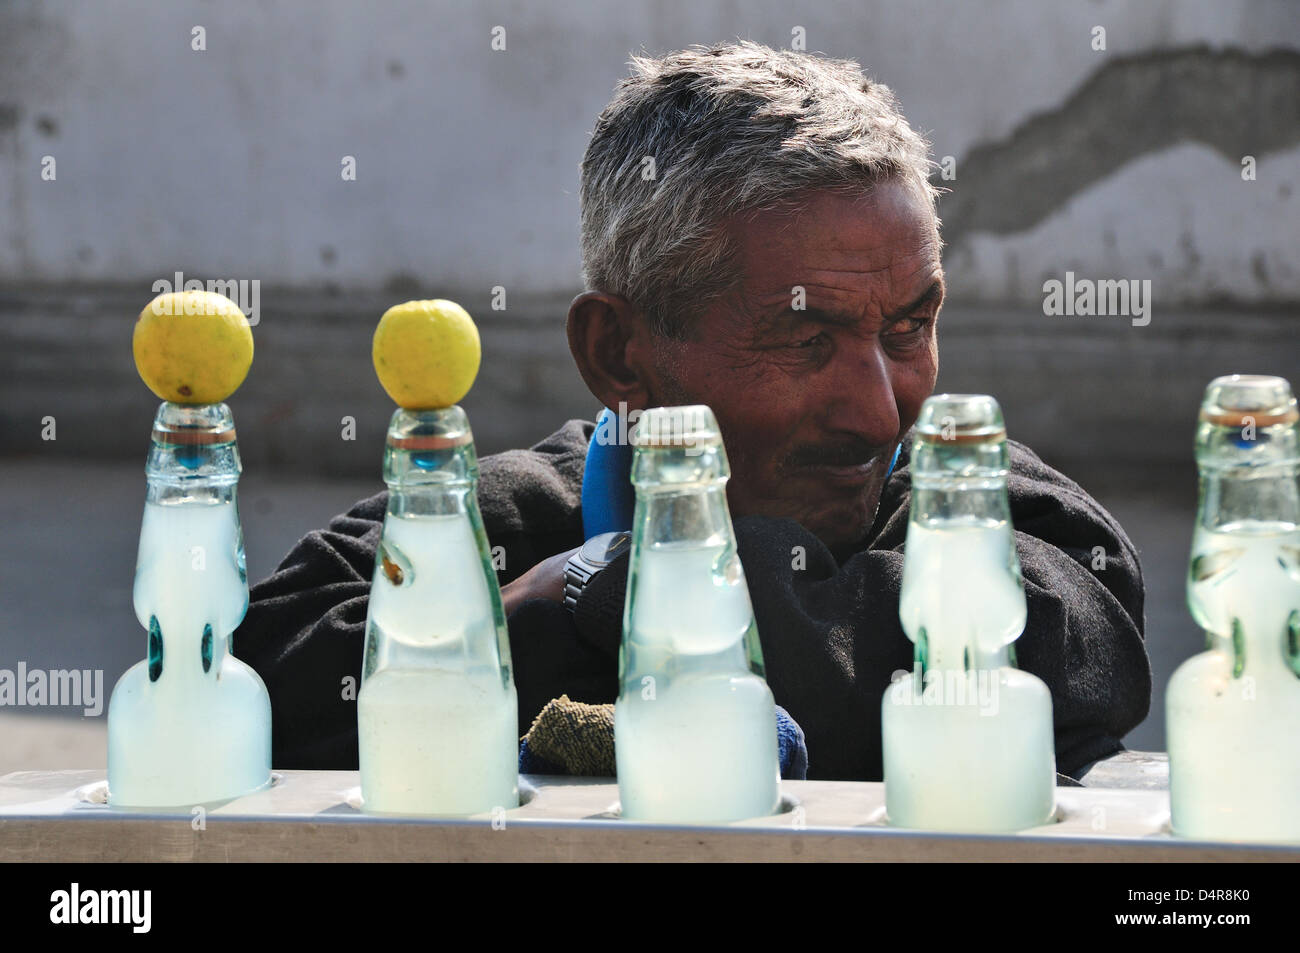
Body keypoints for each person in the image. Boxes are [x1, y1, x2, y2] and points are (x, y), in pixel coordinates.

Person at [235, 41, 1151, 781]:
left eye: (910, 327)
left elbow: (1032, 658)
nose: (880, 413)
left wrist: (596, 596)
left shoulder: (1010, 523)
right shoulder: (509, 518)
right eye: (806, 339)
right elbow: (256, 677)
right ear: (617, 353)